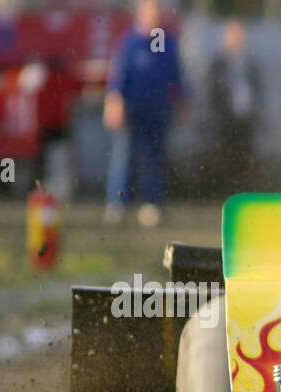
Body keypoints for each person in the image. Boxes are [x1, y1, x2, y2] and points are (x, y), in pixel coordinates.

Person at [103, 0, 185, 227]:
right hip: (132, 111)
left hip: (158, 112)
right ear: (140, 15)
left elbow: (176, 77)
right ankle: (118, 204)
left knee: (155, 159)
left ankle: (153, 204)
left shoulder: (167, 45)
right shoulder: (129, 44)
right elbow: (117, 80)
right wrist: (114, 104)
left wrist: (181, 104)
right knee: (124, 157)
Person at [208, 18, 261, 195]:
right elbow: (212, 92)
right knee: (226, 161)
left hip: (246, 123)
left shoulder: (251, 65)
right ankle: (225, 196)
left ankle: (242, 196)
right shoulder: (218, 65)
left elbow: (258, 91)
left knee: (244, 161)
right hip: (225, 123)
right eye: (233, 36)